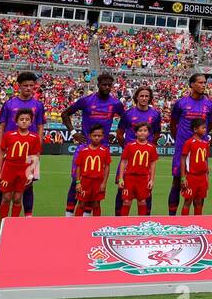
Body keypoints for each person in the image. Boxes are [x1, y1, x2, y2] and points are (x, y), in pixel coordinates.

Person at [0, 71, 46, 233]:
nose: (29, 88)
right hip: (9, 153)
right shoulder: (10, 104)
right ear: (19, 87)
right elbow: (1, 125)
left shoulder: (38, 105)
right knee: (0, 187)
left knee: (28, 186)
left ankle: (27, 220)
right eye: (25, 86)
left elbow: (40, 127)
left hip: (30, 153)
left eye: (31, 86)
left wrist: (38, 150)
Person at [62, 73, 125, 216]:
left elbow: (125, 120)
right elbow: (65, 114)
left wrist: (115, 134)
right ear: (98, 85)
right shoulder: (86, 100)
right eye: (104, 84)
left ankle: (87, 217)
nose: (107, 87)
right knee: (76, 181)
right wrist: (73, 133)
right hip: (84, 147)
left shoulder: (115, 103)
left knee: (96, 185)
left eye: (110, 85)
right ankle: (69, 214)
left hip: (103, 149)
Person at [168, 72, 212, 214]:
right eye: (200, 83)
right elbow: (173, 124)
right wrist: (180, 140)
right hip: (182, 149)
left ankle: (197, 219)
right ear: (192, 84)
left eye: (204, 83)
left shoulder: (209, 104)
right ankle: (171, 218)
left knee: (201, 185)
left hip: (200, 151)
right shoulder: (181, 103)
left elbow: (210, 125)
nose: (203, 85)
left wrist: (201, 140)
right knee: (177, 182)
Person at [0, 108, 41, 220]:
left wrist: (31, 174)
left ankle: (14, 224)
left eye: (27, 119)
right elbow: (2, 154)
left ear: (31, 122)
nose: (24, 121)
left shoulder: (34, 138)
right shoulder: (9, 135)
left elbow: (34, 157)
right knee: (6, 197)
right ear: (16, 121)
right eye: (21, 119)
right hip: (9, 169)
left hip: (23, 170)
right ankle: (4, 224)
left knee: (17, 198)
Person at [118, 121, 157, 216]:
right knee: (126, 201)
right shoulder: (129, 146)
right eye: (140, 130)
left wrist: (151, 179)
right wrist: (120, 178)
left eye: (145, 130)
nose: (142, 132)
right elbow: (123, 162)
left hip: (143, 178)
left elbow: (153, 164)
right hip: (129, 177)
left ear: (148, 133)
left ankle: (141, 225)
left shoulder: (151, 147)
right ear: (136, 133)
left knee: (142, 201)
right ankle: (123, 224)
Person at [75, 125, 112, 217]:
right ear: (90, 136)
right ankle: (75, 224)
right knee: (81, 203)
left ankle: (96, 225)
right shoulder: (83, 150)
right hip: (85, 181)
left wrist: (104, 183)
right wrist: (78, 182)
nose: (96, 138)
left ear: (103, 137)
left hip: (98, 182)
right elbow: (78, 167)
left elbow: (107, 167)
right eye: (94, 135)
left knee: (96, 204)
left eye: (99, 136)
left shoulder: (105, 150)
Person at [180, 118, 211, 216]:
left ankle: (198, 223)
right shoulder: (189, 143)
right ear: (195, 129)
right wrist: (183, 177)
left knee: (199, 202)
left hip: (202, 178)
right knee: (188, 201)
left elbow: (206, 160)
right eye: (203, 128)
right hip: (191, 177)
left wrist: (207, 176)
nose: (205, 130)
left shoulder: (205, 144)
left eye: (205, 128)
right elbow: (183, 160)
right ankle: (184, 224)